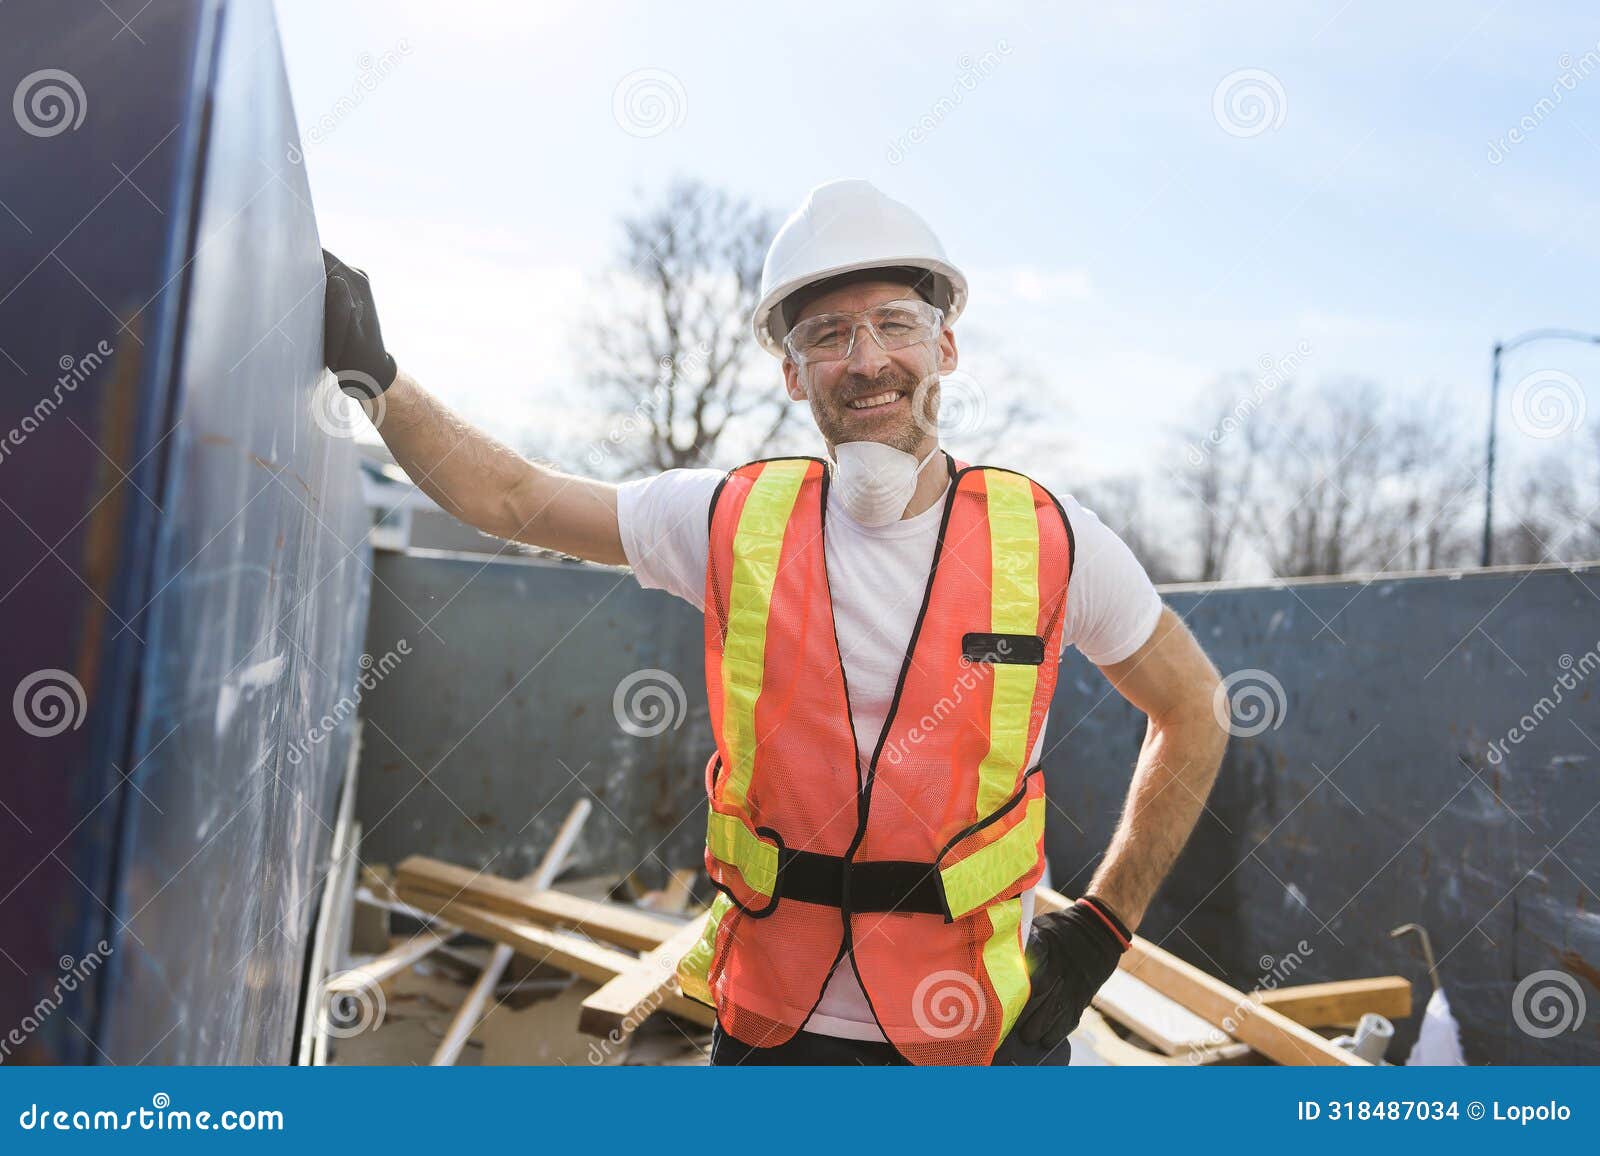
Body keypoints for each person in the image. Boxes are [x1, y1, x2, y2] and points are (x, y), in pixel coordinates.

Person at [322, 178, 1229, 1066]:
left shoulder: (1051, 540)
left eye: (896, 324)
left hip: (979, 1038)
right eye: (829, 334)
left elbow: (1195, 708)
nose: (868, 359)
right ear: (793, 371)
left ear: (945, 347)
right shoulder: (728, 521)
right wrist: (377, 376)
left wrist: (1102, 929)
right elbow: (511, 498)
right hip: (771, 1030)